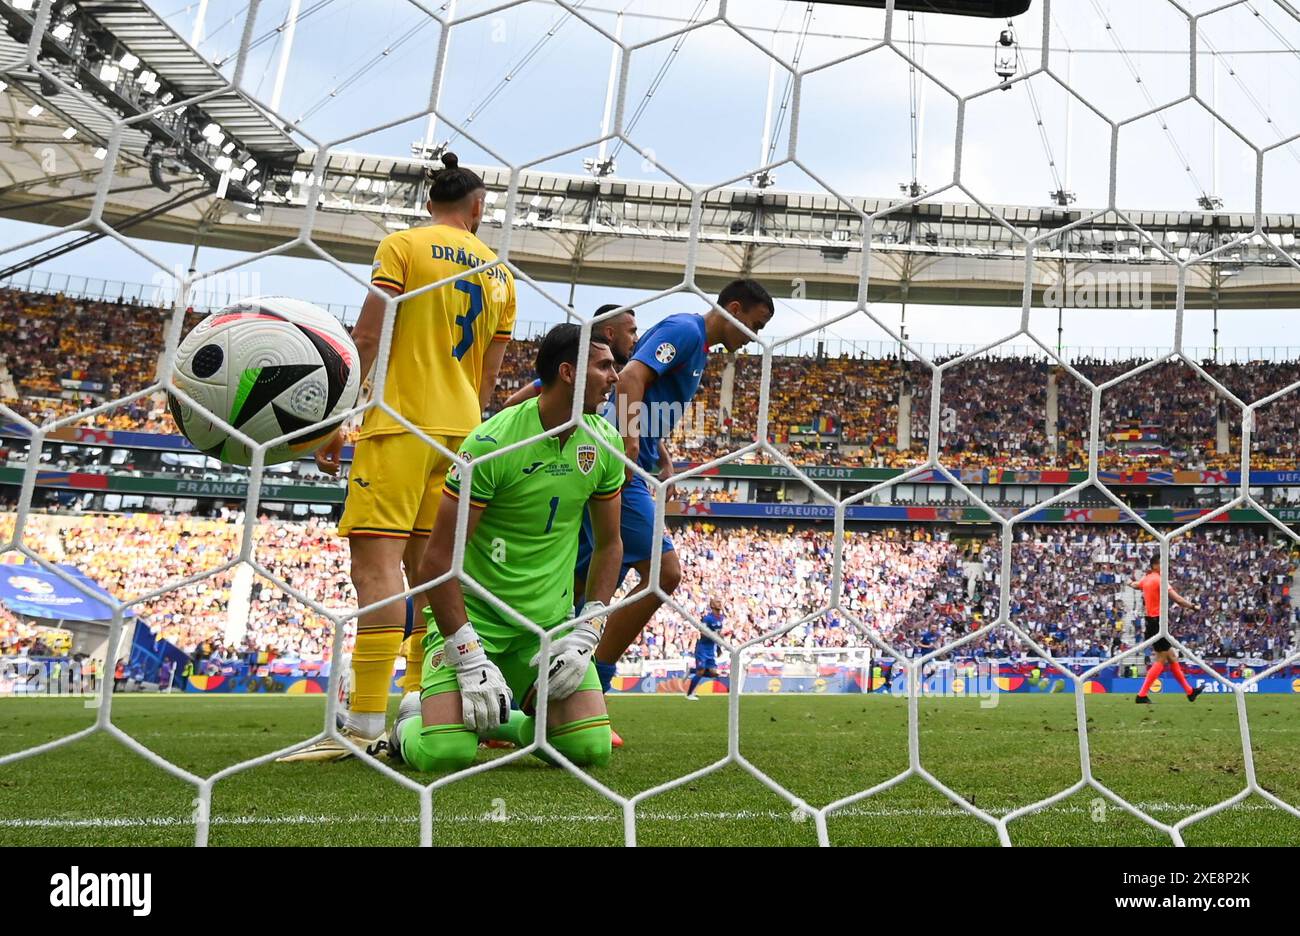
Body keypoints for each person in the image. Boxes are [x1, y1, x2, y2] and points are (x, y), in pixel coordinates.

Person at [282, 153, 517, 761]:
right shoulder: (500, 273)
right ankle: (418, 703)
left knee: (376, 568)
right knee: (432, 570)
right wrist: (470, 428)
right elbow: (490, 372)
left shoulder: (404, 246)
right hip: (461, 434)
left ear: (430, 202)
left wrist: (337, 424)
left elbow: (365, 335)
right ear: (477, 207)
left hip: (400, 424)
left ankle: (360, 724)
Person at [379, 324, 624, 771]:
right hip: (475, 622)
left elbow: (610, 546)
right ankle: (409, 722)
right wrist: (468, 653)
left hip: (547, 630)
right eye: (605, 365)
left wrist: (587, 631)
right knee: (444, 755)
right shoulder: (492, 443)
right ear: (568, 372)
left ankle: (507, 724)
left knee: (589, 749)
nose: (615, 377)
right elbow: (437, 559)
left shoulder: (605, 443)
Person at [578, 278, 774, 746]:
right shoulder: (686, 329)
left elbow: (650, 395)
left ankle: (555, 700)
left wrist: (658, 452)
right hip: (618, 463)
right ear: (733, 307)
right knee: (663, 575)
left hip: (628, 463)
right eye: (754, 323)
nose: (754, 336)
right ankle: (593, 691)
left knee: (577, 582)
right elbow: (629, 379)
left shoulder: (698, 347)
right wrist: (629, 441)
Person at [501, 304, 638, 408]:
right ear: (610, 333)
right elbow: (512, 403)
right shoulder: (576, 365)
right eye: (632, 332)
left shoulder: (621, 375)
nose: (636, 339)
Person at [1129, 555, 1206, 704]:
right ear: (1155, 565)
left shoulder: (1146, 579)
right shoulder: (1159, 580)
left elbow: (1136, 585)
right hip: (1157, 622)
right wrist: (1193, 607)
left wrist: (1130, 583)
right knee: (1162, 657)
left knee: (1171, 656)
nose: (1166, 568)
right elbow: (1177, 599)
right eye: (1162, 564)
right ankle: (1142, 695)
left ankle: (1190, 692)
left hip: (1151, 622)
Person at [685, 596, 725, 700]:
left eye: (720, 601)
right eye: (717, 602)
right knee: (701, 671)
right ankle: (689, 694)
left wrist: (719, 647)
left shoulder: (721, 618)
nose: (719, 603)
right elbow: (702, 633)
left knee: (713, 673)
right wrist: (712, 635)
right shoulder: (707, 618)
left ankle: (692, 671)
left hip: (711, 649)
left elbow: (719, 634)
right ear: (712, 605)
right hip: (702, 648)